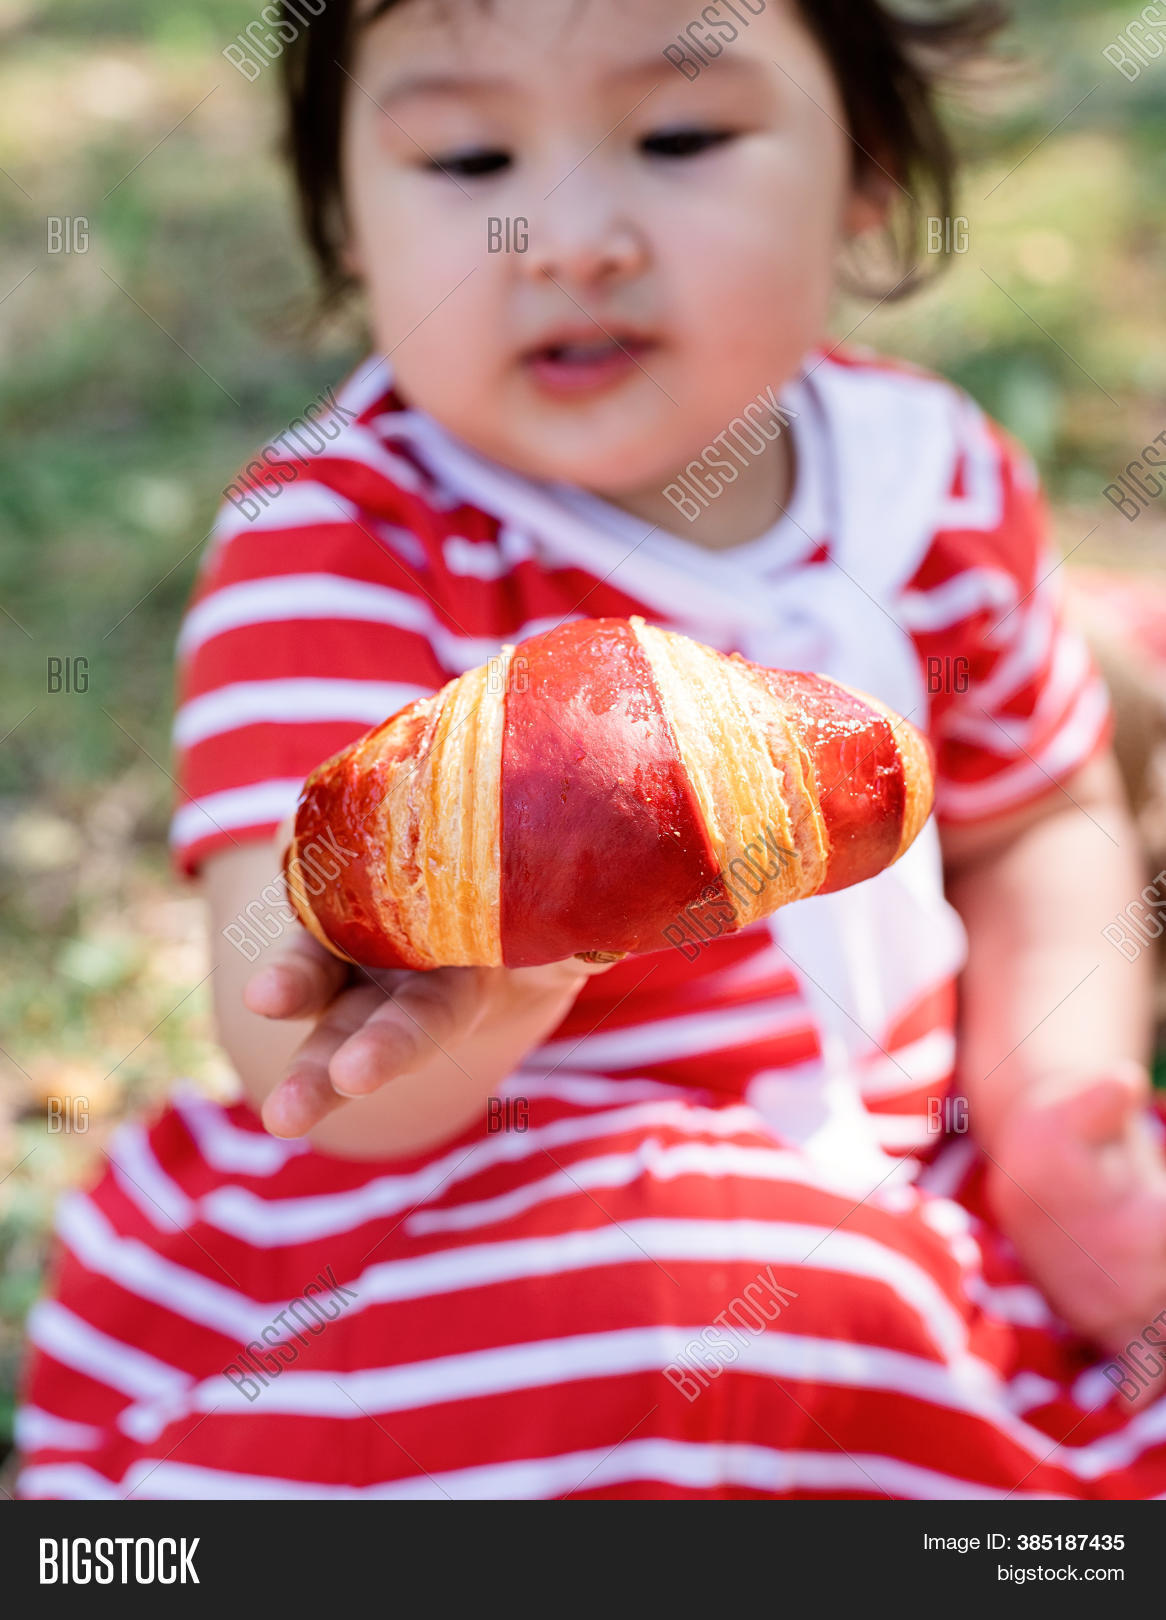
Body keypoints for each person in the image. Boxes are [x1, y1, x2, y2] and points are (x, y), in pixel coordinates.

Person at [17, 0, 1166, 1499]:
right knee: (653, 1324)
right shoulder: (338, 541)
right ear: (348, 224)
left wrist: (1048, 1108)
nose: (563, 240)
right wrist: (499, 980)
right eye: (468, 155)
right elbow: (300, 1049)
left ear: (865, 168)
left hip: (876, 1186)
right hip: (469, 1218)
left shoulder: (932, 480)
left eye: (680, 135)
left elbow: (1037, 823)